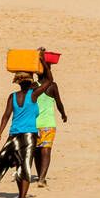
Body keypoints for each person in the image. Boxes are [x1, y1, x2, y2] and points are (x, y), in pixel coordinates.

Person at [0, 72, 41, 198]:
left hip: (14, 135)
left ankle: (20, 196)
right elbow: (49, 81)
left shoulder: (13, 96)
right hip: (29, 135)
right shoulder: (33, 95)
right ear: (30, 82)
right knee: (26, 165)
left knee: (18, 166)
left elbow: (6, 115)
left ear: (19, 83)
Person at [32, 48, 67, 188]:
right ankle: (41, 178)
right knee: (46, 150)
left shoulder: (33, 86)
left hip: (34, 124)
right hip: (48, 123)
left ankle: (40, 175)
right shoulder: (52, 86)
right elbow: (59, 103)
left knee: (36, 151)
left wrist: (38, 59)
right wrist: (63, 114)